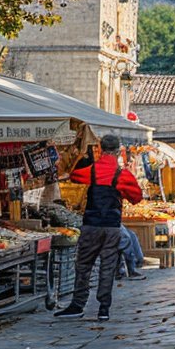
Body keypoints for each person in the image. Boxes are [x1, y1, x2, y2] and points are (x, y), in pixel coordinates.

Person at [56, 134, 143, 322]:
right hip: (112, 227)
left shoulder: (91, 170)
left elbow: (73, 175)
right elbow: (137, 197)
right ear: (119, 151)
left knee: (83, 265)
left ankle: (77, 304)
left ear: (99, 149)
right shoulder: (123, 175)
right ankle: (104, 308)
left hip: (90, 225)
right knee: (108, 266)